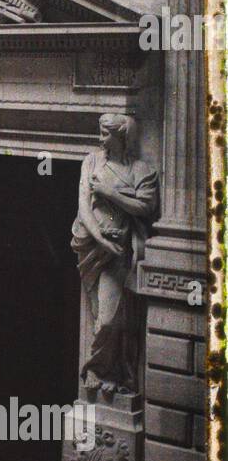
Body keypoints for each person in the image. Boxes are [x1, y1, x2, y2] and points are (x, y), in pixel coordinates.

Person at [71, 113, 159, 397]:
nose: (100, 139)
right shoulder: (92, 161)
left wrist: (109, 192)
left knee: (111, 319)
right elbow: (84, 207)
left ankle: (98, 369)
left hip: (122, 252)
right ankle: (105, 370)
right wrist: (100, 238)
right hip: (92, 246)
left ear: (121, 136)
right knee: (100, 314)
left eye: (105, 134)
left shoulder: (142, 170)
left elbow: (146, 208)